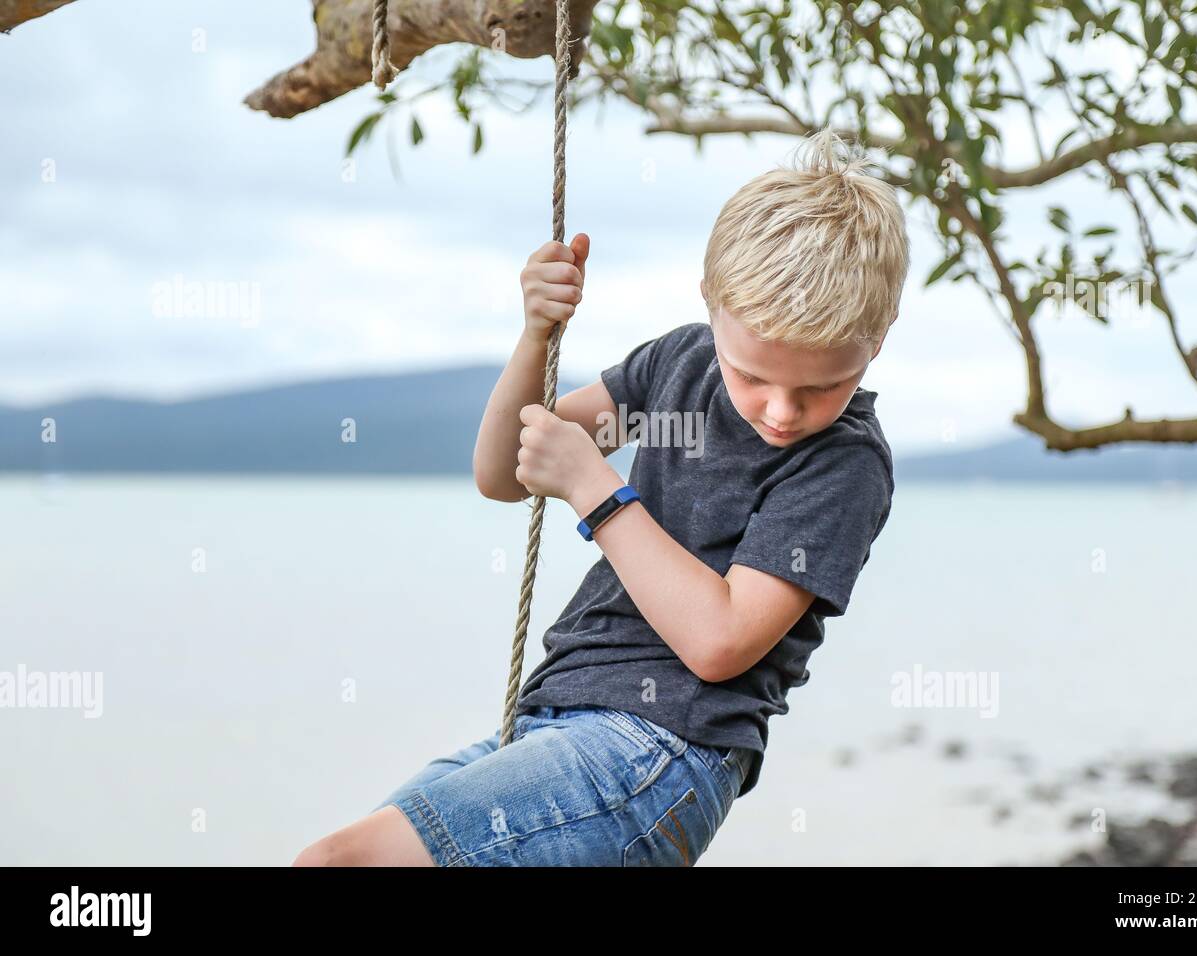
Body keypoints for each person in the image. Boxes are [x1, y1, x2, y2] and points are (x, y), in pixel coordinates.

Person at [292, 126, 909, 866]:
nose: (781, 411)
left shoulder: (843, 465)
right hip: (552, 716)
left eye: (820, 387)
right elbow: (503, 471)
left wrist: (594, 486)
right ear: (711, 306)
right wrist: (534, 338)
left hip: (660, 747)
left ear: (878, 338)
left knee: (340, 864)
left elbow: (720, 643)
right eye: (752, 376)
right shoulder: (682, 364)